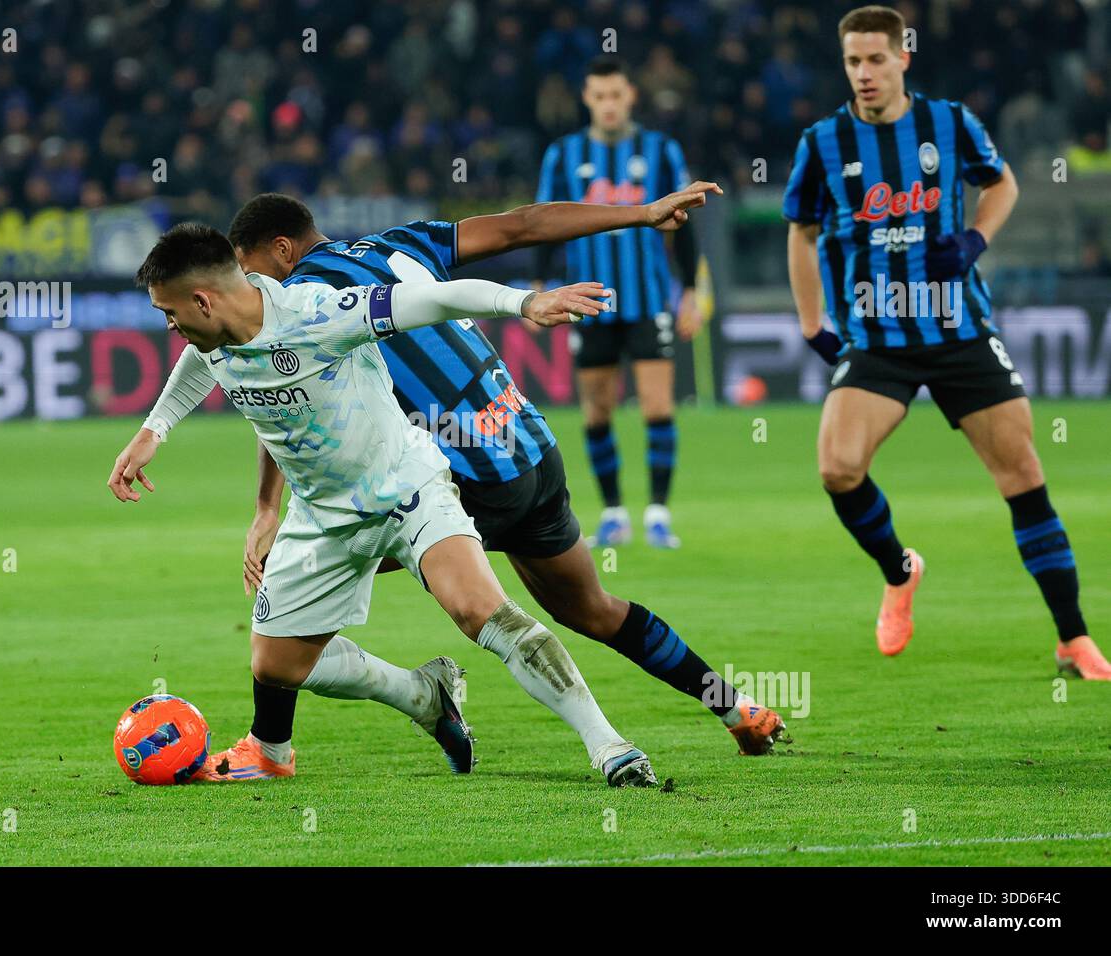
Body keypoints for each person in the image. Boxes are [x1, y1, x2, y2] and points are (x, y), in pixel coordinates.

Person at [227, 191, 785, 758]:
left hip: (466, 477)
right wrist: (641, 215)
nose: (247, 294)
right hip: (530, 448)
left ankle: (279, 741)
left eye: (249, 275)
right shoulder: (404, 242)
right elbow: (526, 224)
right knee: (591, 607)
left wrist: (268, 512)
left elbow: (286, 398)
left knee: (295, 600)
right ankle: (736, 706)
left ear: (282, 251)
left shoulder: (300, 301)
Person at [111, 221, 661, 787]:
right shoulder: (215, 334)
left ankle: (609, 745)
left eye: (169, 312)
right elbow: (197, 367)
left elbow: (438, 297)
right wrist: (154, 430)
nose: (170, 326)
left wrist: (524, 300)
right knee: (275, 667)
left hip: (406, 489)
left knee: (480, 611)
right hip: (322, 516)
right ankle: (421, 697)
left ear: (203, 299)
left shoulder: (318, 313)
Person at [783, 5, 1108, 678]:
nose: (864, 73)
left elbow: (1004, 182)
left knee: (1022, 475)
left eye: (876, 59)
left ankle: (1073, 639)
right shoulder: (822, 142)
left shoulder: (950, 123)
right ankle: (900, 570)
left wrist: (976, 238)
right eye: (852, 61)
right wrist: (812, 324)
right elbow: (803, 232)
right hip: (876, 338)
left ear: (905, 56)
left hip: (958, 328)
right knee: (837, 468)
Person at [535, 54, 703, 549]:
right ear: (588, 99)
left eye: (616, 95)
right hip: (590, 300)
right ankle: (612, 513)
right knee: (598, 410)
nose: (609, 105)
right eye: (599, 96)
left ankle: (656, 513)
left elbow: (686, 225)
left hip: (649, 299)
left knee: (657, 405)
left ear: (630, 96)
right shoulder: (563, 156)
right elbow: (544, 223)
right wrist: (538, 287)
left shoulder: (661, 151)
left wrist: (690, 290)